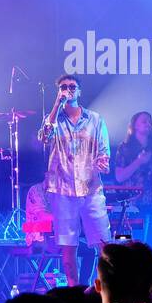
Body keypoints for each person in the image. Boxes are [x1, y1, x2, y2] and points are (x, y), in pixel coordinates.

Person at [37, 75, 111, 286]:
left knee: (103, 242)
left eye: (72, 87)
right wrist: (56, 105)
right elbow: (44, 137)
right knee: (68, 245)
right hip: (62, 188)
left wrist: (103, 162)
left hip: (90, 187)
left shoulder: (95, 119)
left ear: (79, 91)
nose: (68, 90)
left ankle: (105, 288)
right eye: (63, 87)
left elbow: (104, 150)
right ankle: (74, 291)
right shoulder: (54, 119)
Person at [112, 111, 152, 252]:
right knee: (133, 247)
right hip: (133, 206)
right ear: (135, 125)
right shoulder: (125, 148)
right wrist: (138, 162)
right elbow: (119, 176)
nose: (148, 124)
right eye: (144, 121)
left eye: (150, 121)